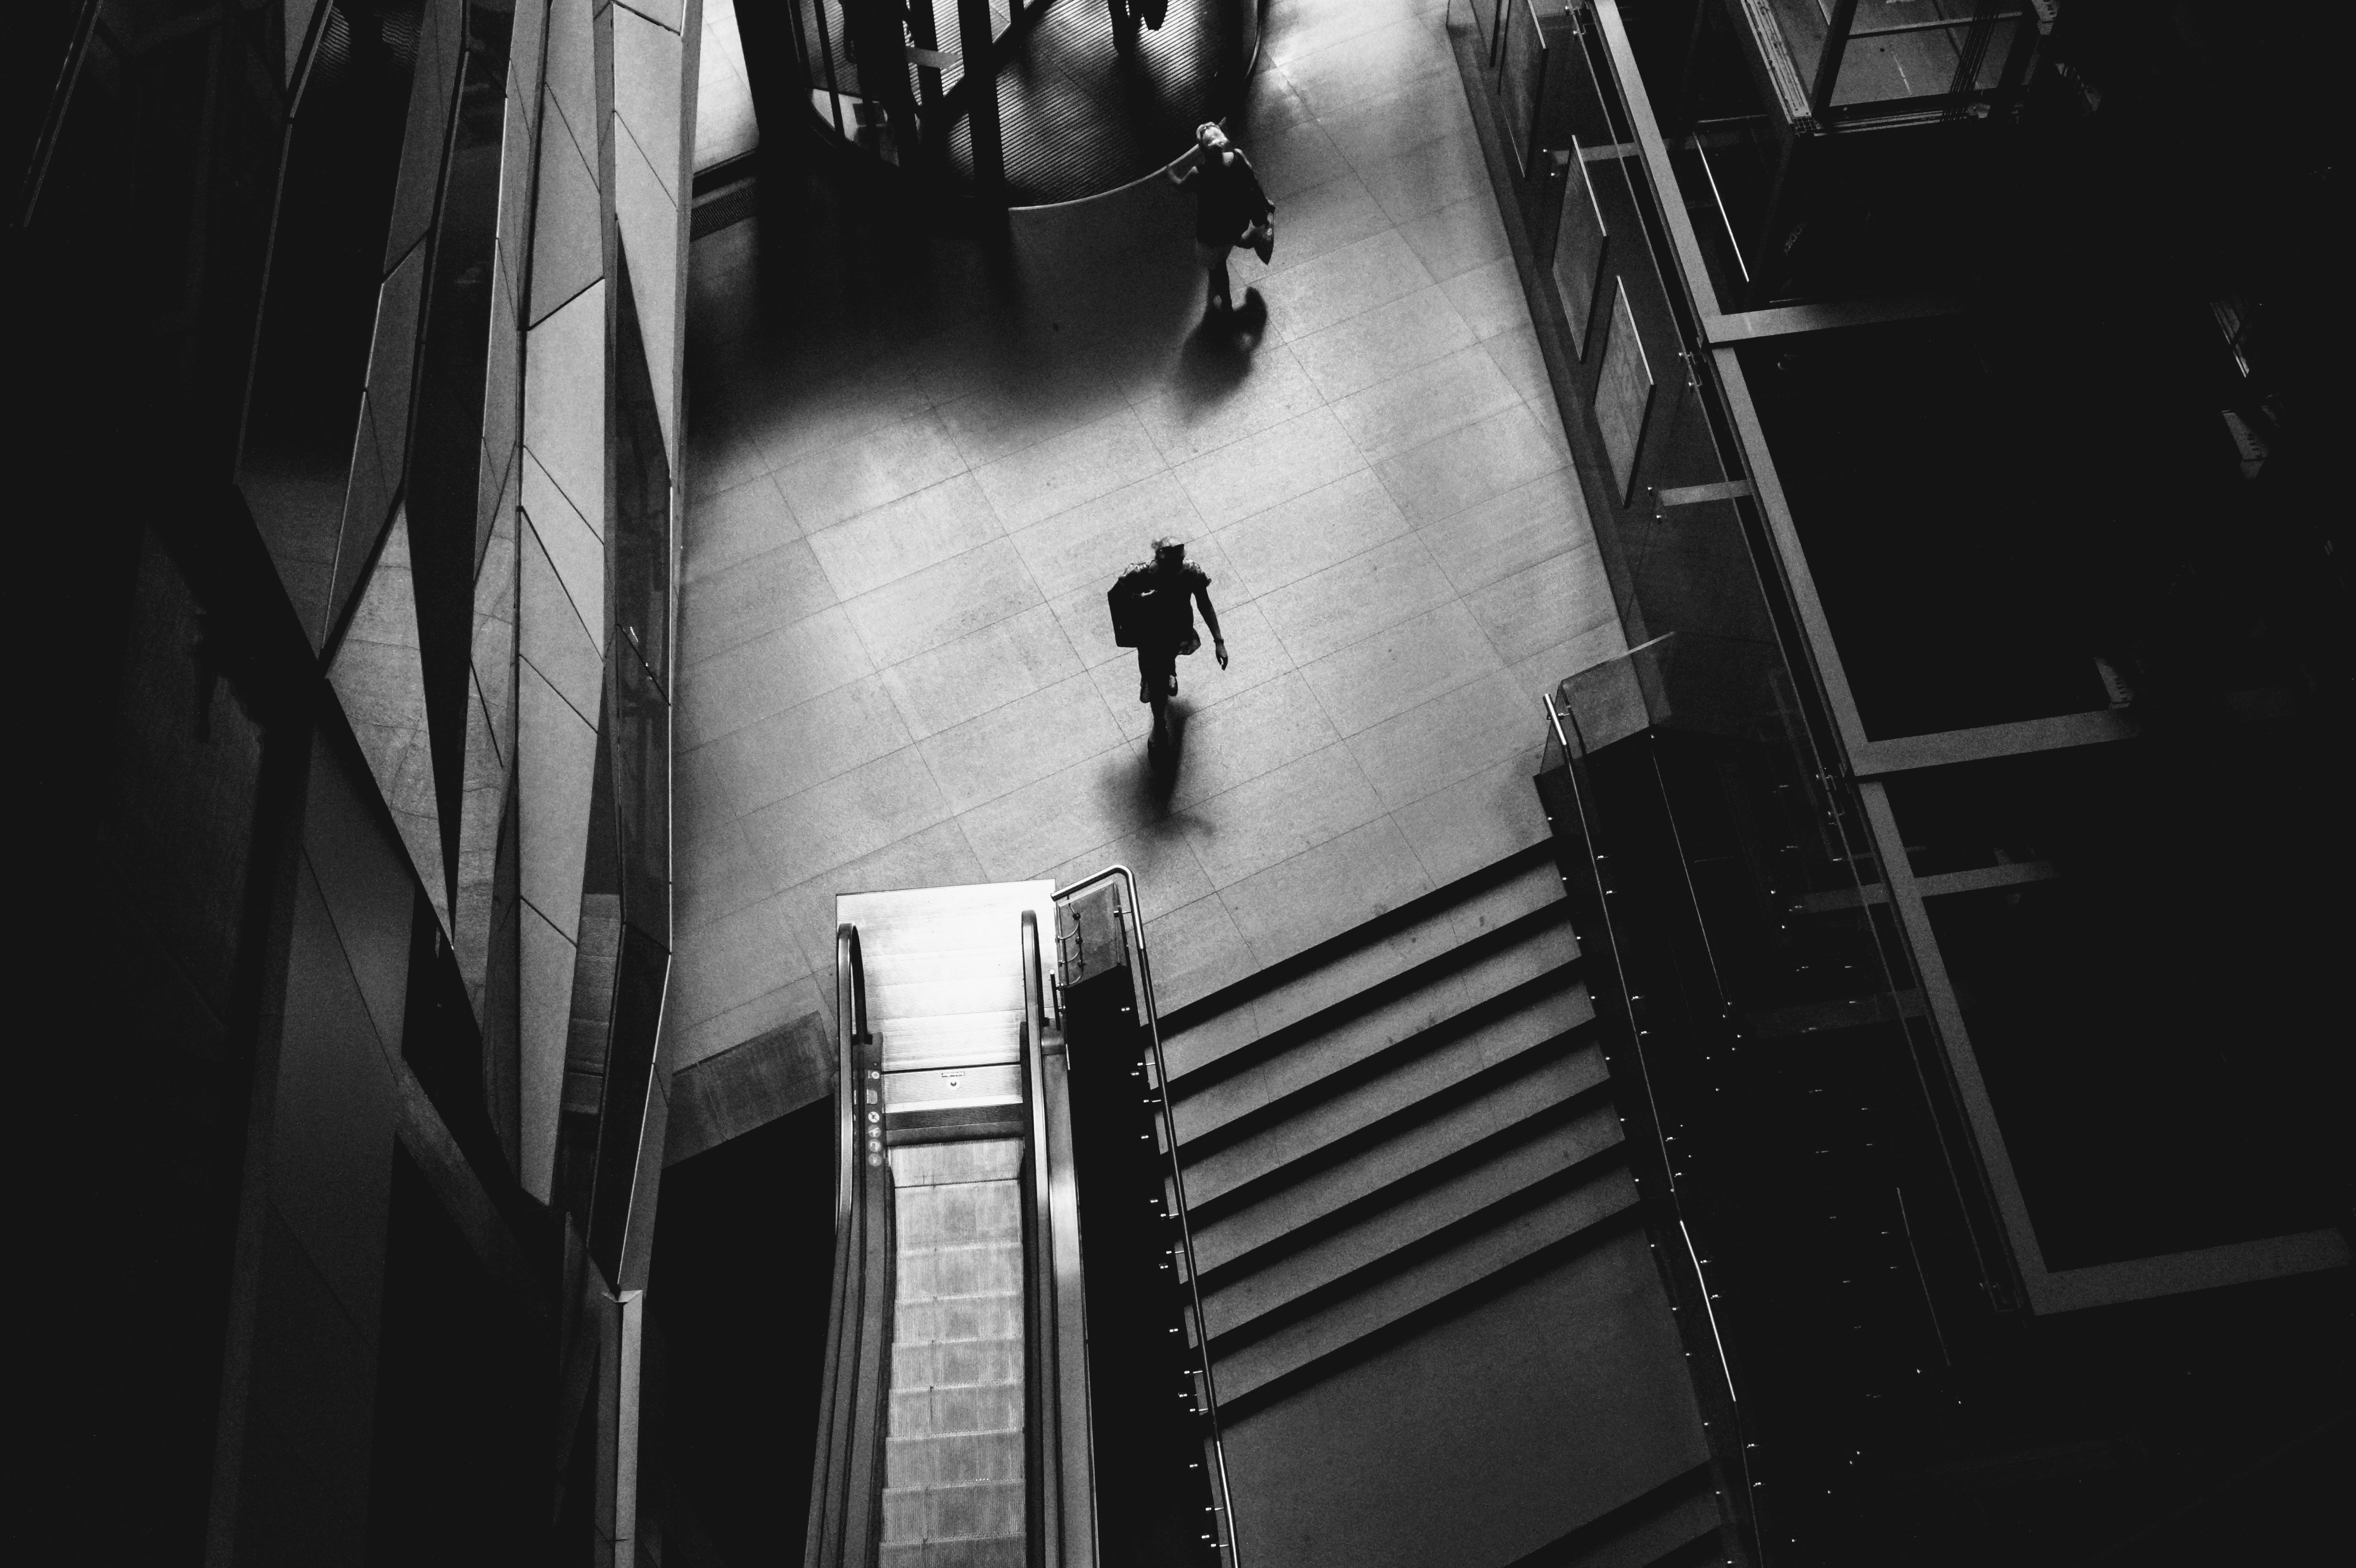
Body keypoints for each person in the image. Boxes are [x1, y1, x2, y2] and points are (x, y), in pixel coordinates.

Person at [1113, 537, 1227, 747]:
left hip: (1177, 632)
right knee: (1155, 683)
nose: (1176, 570)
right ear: (1160, 558)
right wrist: (1137, 600)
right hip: (1151, 638)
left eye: (1179, 564)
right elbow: (1118, 600)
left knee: (1168, 659)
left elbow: (1204, 602)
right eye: (1171, 566)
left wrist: (1219, 641)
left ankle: (1170, 672)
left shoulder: (1190, 571)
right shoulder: (1138, 575)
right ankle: (1159, 724)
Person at [1166, 122, 1270, 316]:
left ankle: (1227, 303)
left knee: (1217, 268)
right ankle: (1253, 239)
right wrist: (1265, 204)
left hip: (1213, 233)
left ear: (1202, 148)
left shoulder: (1199, 174)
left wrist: (1169, 174)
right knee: (1233, 240)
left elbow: (1181, 186)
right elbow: (1253, 182)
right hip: (1237, 221)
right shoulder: (1238, 156)